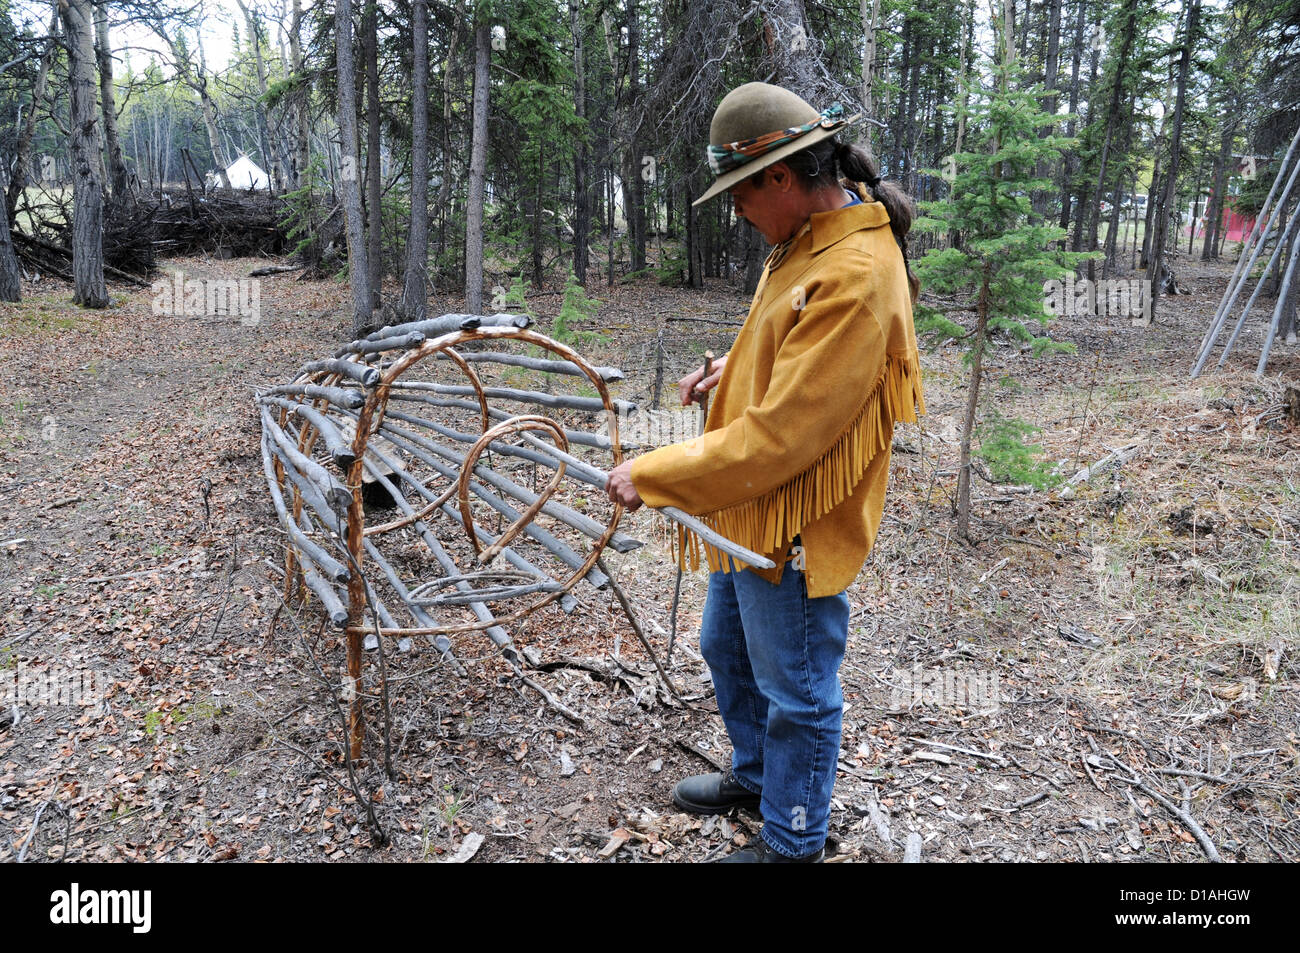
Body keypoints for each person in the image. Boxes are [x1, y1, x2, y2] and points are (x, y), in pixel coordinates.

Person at [605, 82, 926, 862]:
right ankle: (758, 776)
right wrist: (732, 367)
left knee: (799, 690)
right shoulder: (807, 239)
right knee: (727, 645)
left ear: (780, 177)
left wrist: (656, 471)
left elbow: (784, 437)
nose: (736, 212)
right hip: (751, 507)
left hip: (793, 519)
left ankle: (791, 840)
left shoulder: (855, 269)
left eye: (738, 194)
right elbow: (792, 348)